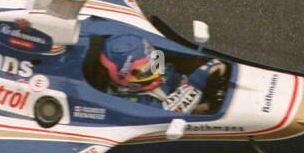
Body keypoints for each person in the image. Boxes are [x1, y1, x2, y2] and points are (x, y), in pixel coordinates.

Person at [97, 32, 228, 113]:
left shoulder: (152, 69)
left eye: (154, 61)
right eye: (145, 71)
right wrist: (197, 81)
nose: (155, 71)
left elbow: (171, 74)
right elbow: (167, 115)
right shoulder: (133, 105)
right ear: (123, 78)